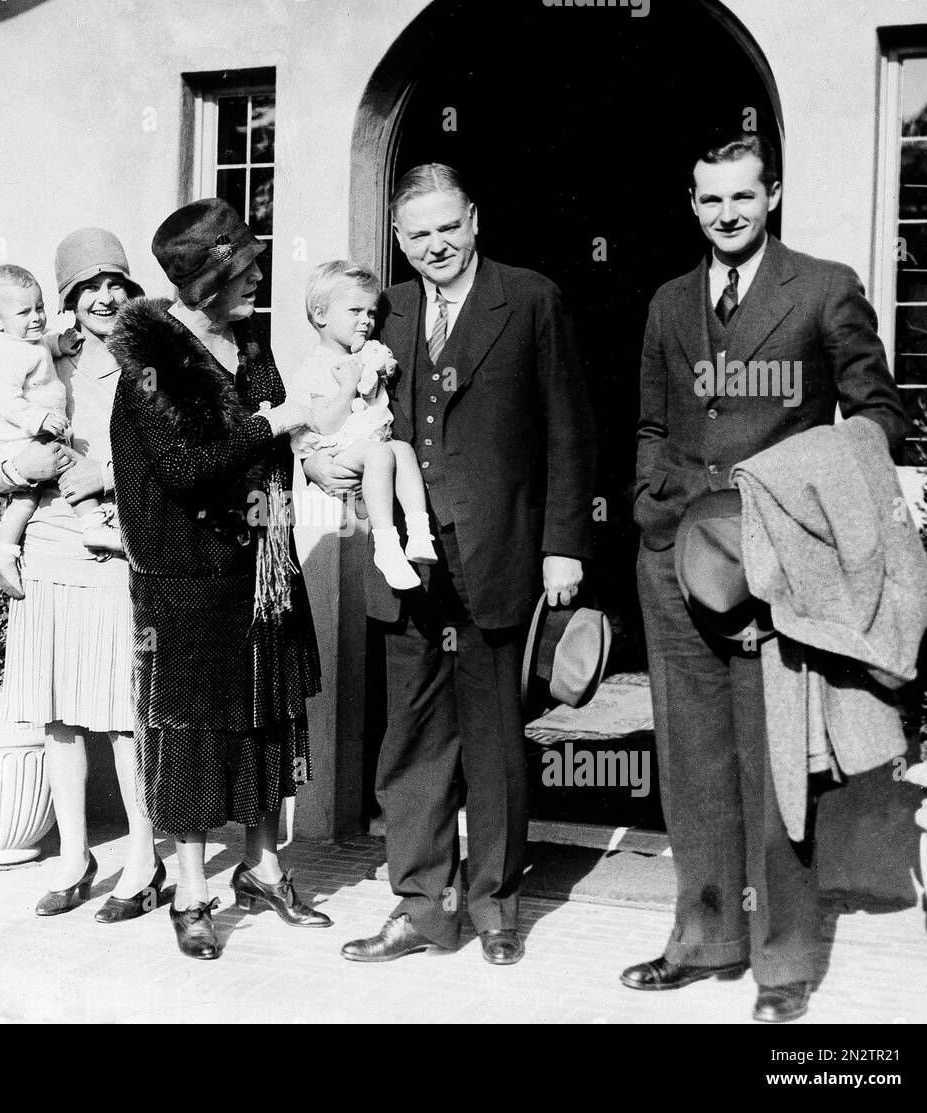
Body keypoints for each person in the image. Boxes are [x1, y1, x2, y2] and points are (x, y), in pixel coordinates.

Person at [623, 131, 908, 1022]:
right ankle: (703, 935)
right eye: (710, 200)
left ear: (772, 193)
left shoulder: (824, 289)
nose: (726, 214)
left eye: (742, 197)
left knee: (777, 764)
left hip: (774, 570)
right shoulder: (671, 300)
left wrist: (798, 505)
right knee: (692, 760)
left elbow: (879, 420)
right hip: (674, 560)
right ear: (693, 203)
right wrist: (649, 507)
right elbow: (651, 422)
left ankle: (784, 965)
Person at [305, 163, 597, 966]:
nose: (435, 244)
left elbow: (569, 429)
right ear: (399, 238)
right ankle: (421, 907)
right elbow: (338, 408)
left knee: (494, 736)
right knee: (412, 740)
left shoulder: (530, 298)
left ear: (474, 221)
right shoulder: (383, 309)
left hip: (497, 550)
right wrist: (316, 464)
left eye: (448, 226)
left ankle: (496, 905)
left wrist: (563, 543)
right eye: (417, 232)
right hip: (408, 561)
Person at [108, 198, 330, 961]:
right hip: (187, 578)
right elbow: (184, 468)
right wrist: (277, 422)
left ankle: (264, 866)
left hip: (262, 565)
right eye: (241, 271)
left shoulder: (251, 343)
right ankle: (192, 891)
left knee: (266, 716)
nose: (258, 278)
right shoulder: (148, 366)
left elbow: (276, 443)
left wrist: (309, 448)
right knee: (195, 734)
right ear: (202, 282)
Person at [0, 228, 159, 921]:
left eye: (115, 283)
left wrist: (101, 474)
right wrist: (23, 468)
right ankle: (75, 855)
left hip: (114, 548)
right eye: (89, 287)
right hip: (46, 549)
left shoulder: (149, 360)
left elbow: (174, 459)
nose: (104, 297)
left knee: (122, 713)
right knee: (57, 713)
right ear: (69, 300)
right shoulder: (41, 355)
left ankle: (143, 861)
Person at [290, 260, 435, 590]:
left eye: (371, 313)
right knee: (382, 454)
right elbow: (325, 424)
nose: (366, 321)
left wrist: (382, 367)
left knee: (401, 449)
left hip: (368, 445)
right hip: (335, 449)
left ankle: (419, 530)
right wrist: (347, 386)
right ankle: (387, 545)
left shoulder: (362, 354)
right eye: (355, 310)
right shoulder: (316, 365)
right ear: (321, 314)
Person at [0, 264, 89, 598]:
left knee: (46, 482)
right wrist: (37, 420)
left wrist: (60, 344)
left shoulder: (25, 341)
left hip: (37, 432)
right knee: (28, 494)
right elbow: (5, 401)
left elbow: (40, 347)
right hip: (18, 436)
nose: (37, 317)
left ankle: (7, 551)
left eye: (39, 307)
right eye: (25, 312)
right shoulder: (1, 353)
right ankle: (5, 551)